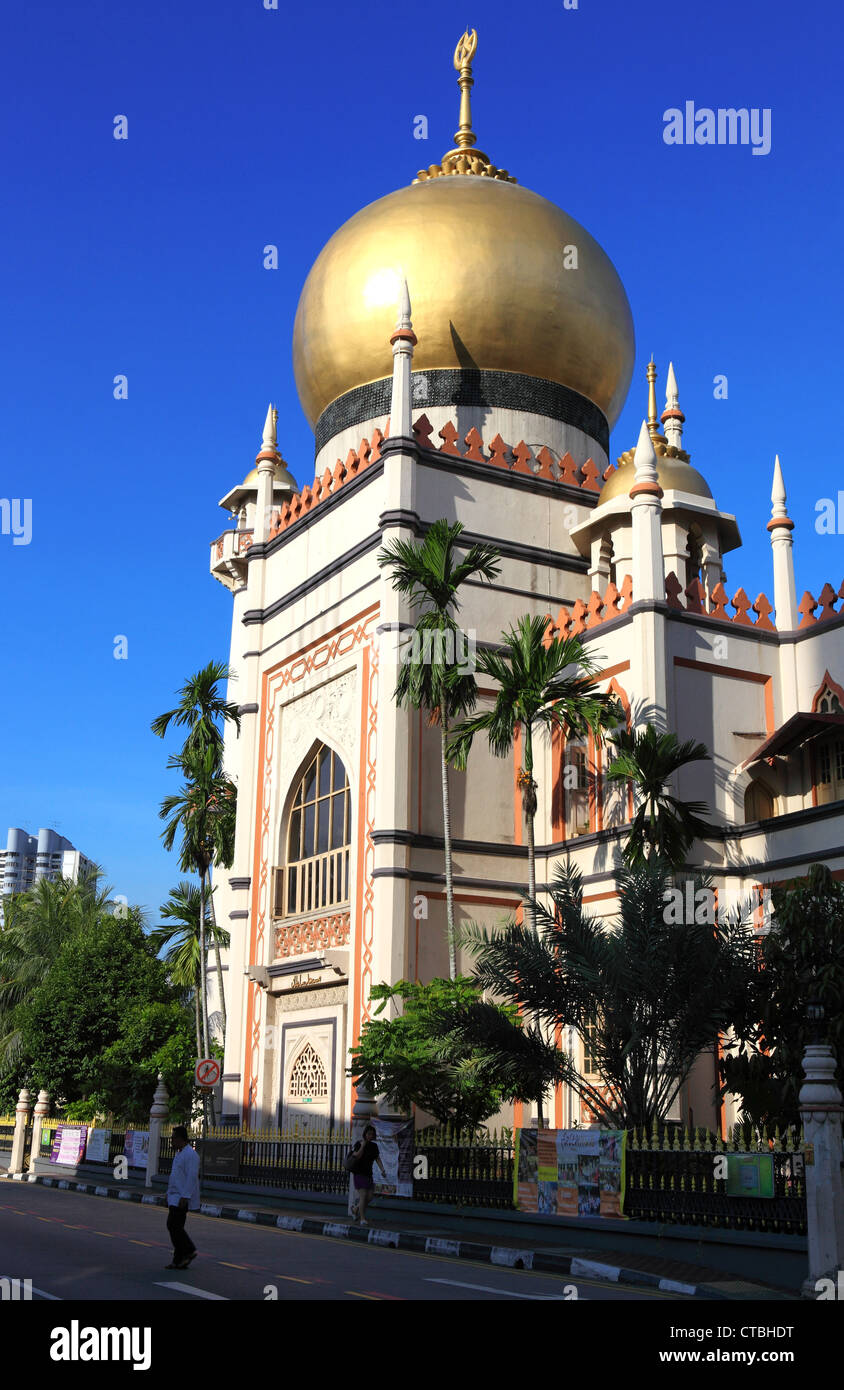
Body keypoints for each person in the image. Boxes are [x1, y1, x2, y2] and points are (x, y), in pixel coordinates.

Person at [165, 1125, 201, 1269]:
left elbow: (192, 1177)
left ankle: (189, 1250)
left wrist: (185, 1196)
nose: (171, 1141)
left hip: (182, 1197)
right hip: (174, 1195)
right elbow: (175, 1176)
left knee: (173, 1225)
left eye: (173, 1138)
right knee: (175, 1226)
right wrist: (167, 1194)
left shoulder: (191, 1155)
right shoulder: (179, 1154)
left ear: (180, 1139)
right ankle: (179, 1259)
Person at [349, 1124, 387, 1225]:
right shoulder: (359, 1143)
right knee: (363, 1196)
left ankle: (356, 1209)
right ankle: (362, 1218)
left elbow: (377, 1158)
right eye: (368, 1134)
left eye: (372, 1134)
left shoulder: (374, 1146)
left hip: (368, 1174)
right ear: (365, 1134)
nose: (370, 1136)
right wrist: (362, 1146)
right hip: (359, 1173)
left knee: (369, 1197)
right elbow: (356, 1156)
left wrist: (382, 1170)